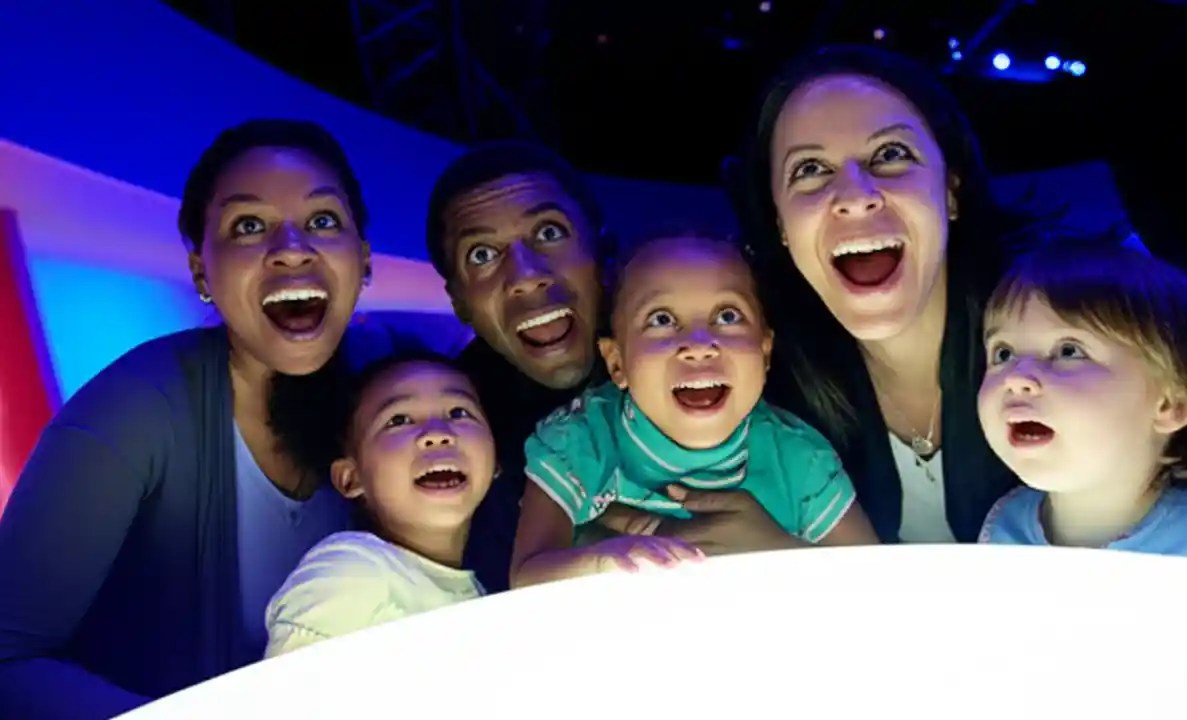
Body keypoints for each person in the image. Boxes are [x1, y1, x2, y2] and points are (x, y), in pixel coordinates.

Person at [728, 43, 1187, 545]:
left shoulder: (1080, 301)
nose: (854, 196)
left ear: (950, 189)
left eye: (891, 155)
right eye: (810, 169)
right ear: (780, 223)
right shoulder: (755, 370)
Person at [0, 120, 374, 718]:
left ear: (364, 258)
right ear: (202, 272)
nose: (291, 246)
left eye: (323, 221)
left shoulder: (394, 384)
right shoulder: (136, 408)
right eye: (248, 225)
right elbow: (7, 657)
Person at [510, 230, 879, 588]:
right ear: (617, 362)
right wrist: (611, 559)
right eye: (661, 320)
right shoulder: (582, 439)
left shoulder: (801, 460)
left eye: (728, 317)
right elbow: (527, 574)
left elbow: (878, 585)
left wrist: (780, 553)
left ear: (765, 353)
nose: (699, 344)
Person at [976, 239, 1187, 565]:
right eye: (1003, 353)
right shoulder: (1002, 529)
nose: (1016, 377)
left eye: (1069, 351)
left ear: (1170, 405)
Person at [425, 140, 609, 591]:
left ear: (601, 253)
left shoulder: (697, 361)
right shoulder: (452, 437)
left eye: (549, 232)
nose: (525, 276)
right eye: (482, 255)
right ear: (460, 304)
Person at [264, 351, 493, 657]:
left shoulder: (479, 593)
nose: (438, 434)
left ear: (496, 462)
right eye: (399, 420)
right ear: (351, 478)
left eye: (459, 413)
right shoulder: (351, 572)